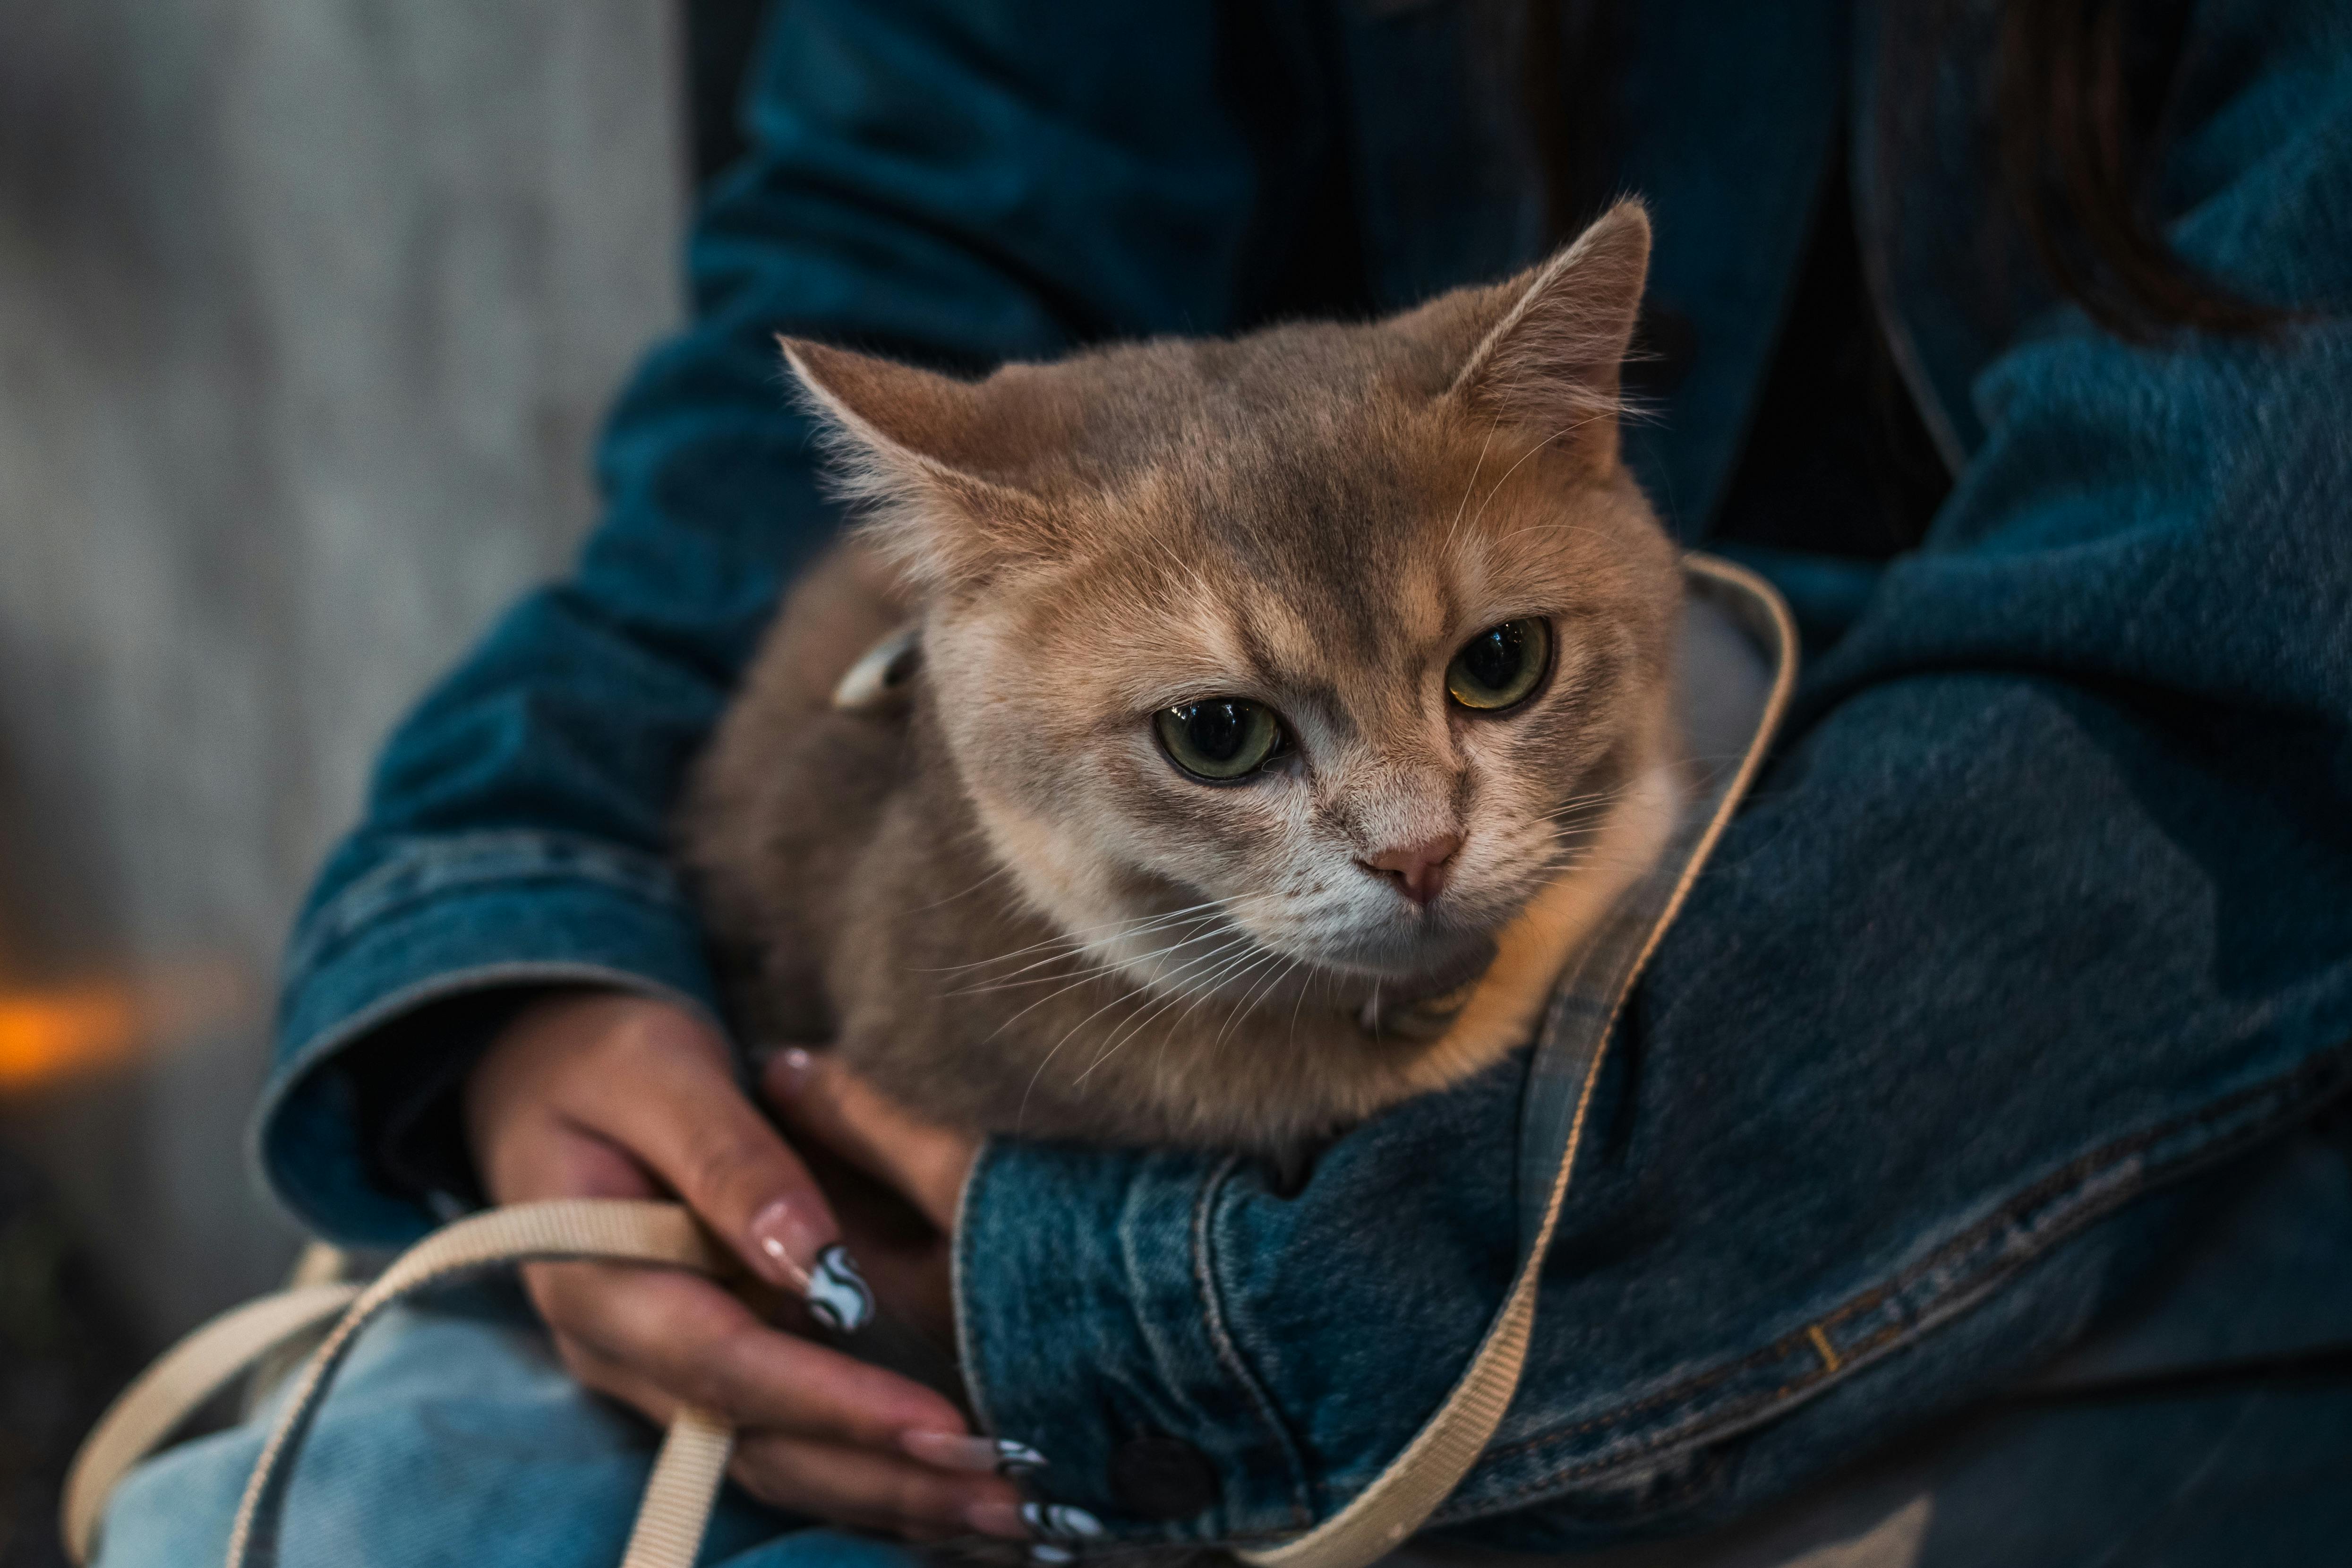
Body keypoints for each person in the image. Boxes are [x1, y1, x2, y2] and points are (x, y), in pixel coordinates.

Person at [97, 1, 2352, 1564]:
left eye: (1486, 674)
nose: (1408, 832)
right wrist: (524, 951)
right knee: (323, 1507)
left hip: (2085, 1064)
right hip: (1204, 1186)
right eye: (1227, 737)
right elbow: (895, 273)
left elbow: (2206, 677)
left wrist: (1164, 1306)